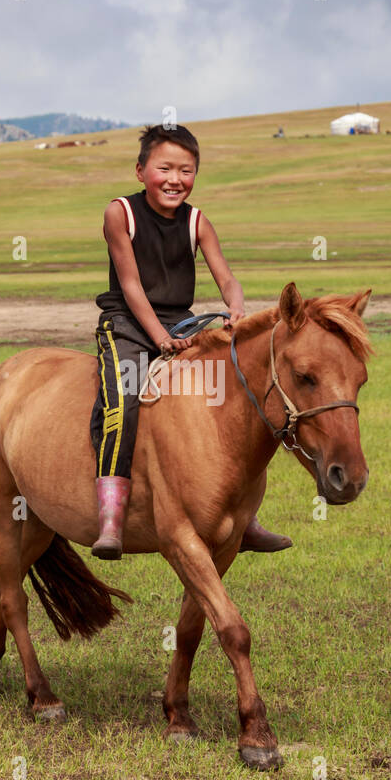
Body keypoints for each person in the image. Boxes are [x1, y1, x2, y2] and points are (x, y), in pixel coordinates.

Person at [89, 124, 292, 560]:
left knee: (233, 399)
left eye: (187, 170)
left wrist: (237, 310)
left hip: (181, 326)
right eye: (164, 168)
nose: (175, 179)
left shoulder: (198, 221)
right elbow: (131, 285)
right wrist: (159, 338)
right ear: (141, 170)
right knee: (122, 400)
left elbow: (227, 278)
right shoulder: (119, 213)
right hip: (127, 323)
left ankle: (244, 515)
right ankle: (110, 518)